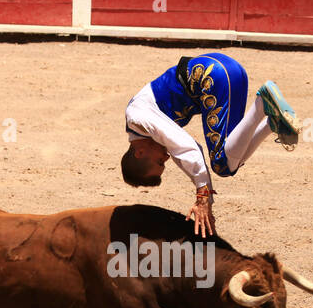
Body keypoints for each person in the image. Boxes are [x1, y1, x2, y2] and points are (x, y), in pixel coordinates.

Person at [120, 54, 300, 238]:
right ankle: (272, 123)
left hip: (212, 77)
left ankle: (262, 105)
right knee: (229, 160)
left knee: (222, 163)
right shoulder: (141, 124)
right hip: (228, 70)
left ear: (140, 153)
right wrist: (207, 201)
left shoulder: (138, 118)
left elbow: (187, 148)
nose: (166, 158)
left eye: (159, 162)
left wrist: (202, 198)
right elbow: (182, 154)